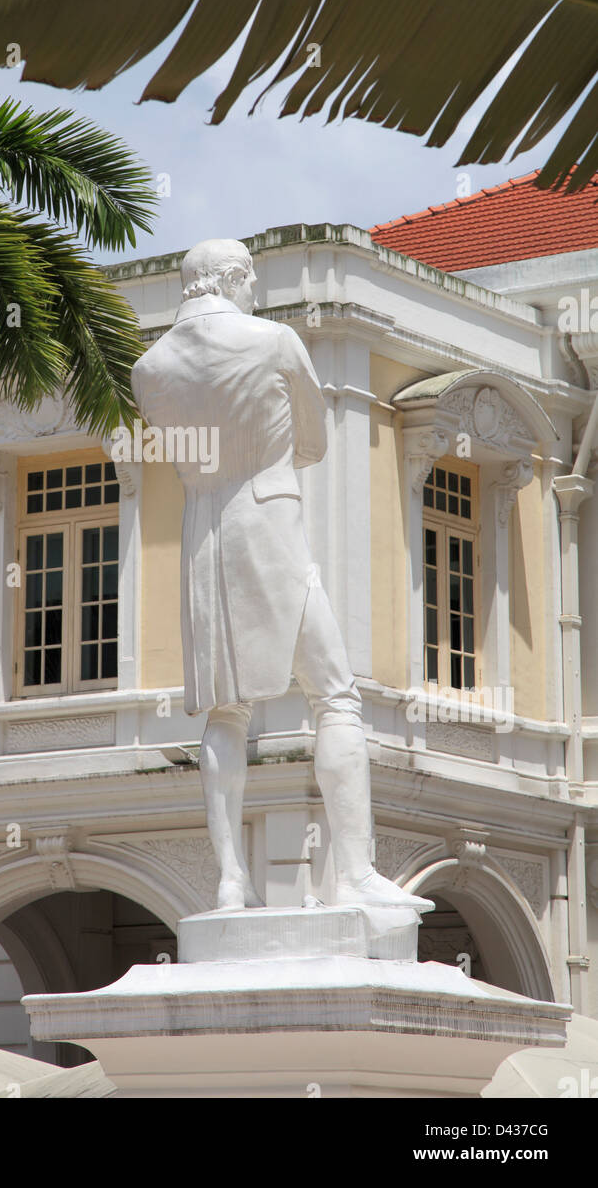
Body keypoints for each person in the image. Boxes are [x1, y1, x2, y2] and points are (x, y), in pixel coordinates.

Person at [131, 238, 433, 914]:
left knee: (225, 710)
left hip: (204, 534)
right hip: (270, 522)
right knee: (334, 694)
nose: (254, 295)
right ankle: (355, 872)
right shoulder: (274, 342)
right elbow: (315, 443)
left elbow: (172, 450)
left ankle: (230, 879)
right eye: (251, 283)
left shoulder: (148, 367)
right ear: (235, 278)